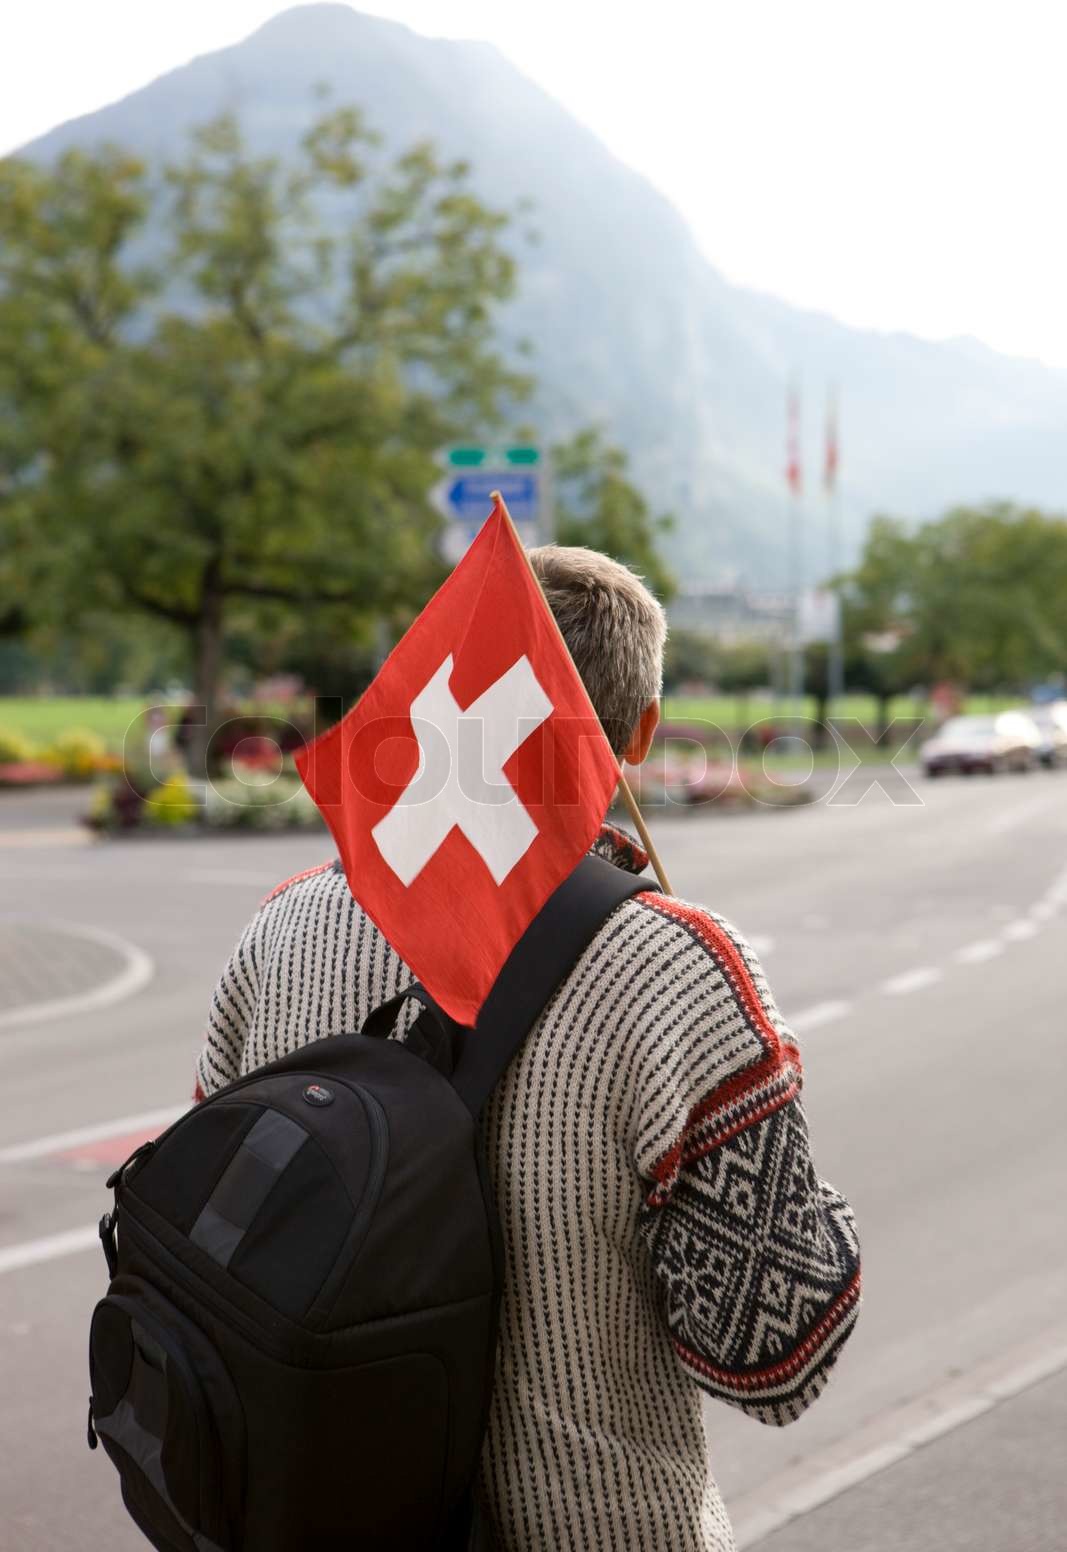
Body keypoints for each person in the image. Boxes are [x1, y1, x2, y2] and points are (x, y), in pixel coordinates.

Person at [195, 544, 860, 1552]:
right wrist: (810, 1209)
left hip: (301, 1517)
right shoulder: (673, 968)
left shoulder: (279, 930)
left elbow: (220, 1226)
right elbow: (770, 1363)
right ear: (634, 736)